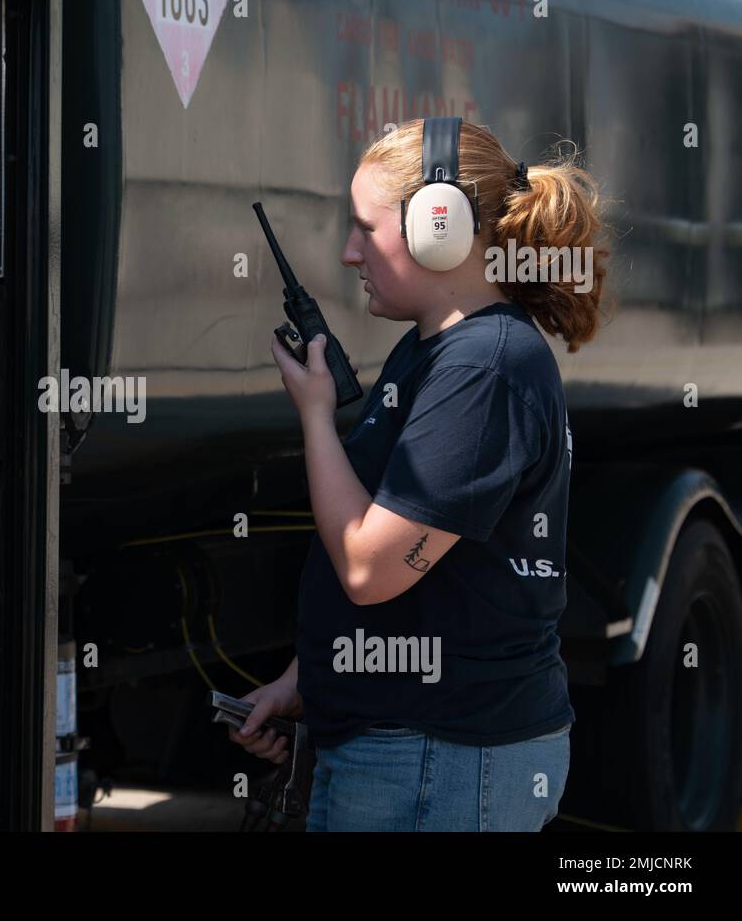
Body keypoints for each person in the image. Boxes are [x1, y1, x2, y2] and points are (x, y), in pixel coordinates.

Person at [230, 118, 608, 831]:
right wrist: (304, 680)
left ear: (444, 230)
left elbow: (373, 570)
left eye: (366, 231)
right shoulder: (435, 353)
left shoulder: (483, 369)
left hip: (444, 761)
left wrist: (315, 416)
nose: (348, 254)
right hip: (417, 753)